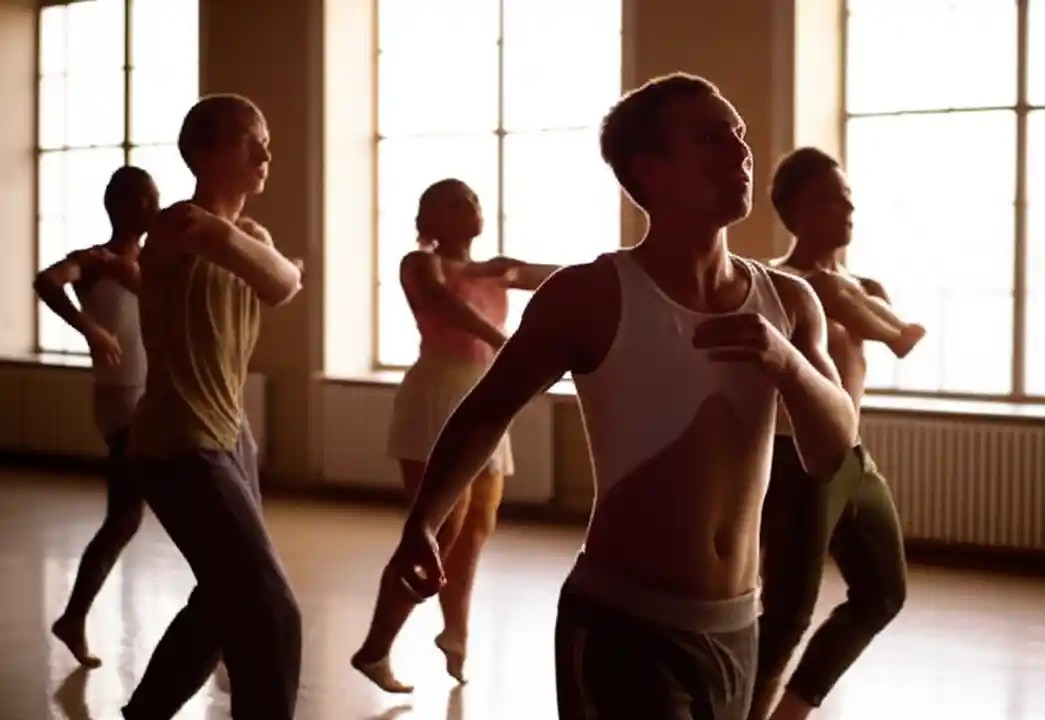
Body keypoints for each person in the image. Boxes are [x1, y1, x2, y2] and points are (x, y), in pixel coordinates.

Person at [364, 72, 856, 718]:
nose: (740, 151)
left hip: (736, 626)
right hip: (626, 627)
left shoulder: (789, 304)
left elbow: (833, 449)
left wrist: (786, 362)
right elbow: (487, 410)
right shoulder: (590, 296)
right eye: (712, 138)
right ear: (651, 172)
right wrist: (423, 522)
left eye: (738, 134)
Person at [121, 94, 304, 719]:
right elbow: (282, 280)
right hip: (179, 442)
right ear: (203, 153)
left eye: (267, 141)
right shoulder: (176, 226)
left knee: (221, 603)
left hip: (231, 439)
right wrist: (272, 260)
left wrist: (268, 256)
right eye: (249, 140)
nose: (265, 152)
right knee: (272, 613)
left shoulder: (244, 233)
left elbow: (281, 281)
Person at [352, 178, 559, 689]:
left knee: (477, 527)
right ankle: (376, 649)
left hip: (486, 398)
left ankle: (456, 633)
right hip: (436, 397)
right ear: (428, 221)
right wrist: (502, 338)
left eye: (473, 199)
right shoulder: (421, 263)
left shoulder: (498, 270)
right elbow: (444, 304)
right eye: (454, 202)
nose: (470, 206)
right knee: (437, 529)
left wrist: (524, 272)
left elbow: (562, 279)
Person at [749, 147, 913, 719]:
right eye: (831, 197)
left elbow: (893, 326)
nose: (848, 207)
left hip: (851, 459)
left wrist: (857, 300)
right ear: (794, 210)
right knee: (788, 614)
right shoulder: (777, 283)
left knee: (883, 594)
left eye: (849, 197)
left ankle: (791, 710)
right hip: (795, 462)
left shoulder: (860, 285)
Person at [38, 165, 159, 669]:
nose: (156, 206)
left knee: (126, 517)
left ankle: (72, 618)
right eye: (148, 199)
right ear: (124, 205)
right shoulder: (93, 261)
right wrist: (89, 327)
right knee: (135, 515)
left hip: (155, 399)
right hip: (121, 402)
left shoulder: (157, 262)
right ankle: (220, 626)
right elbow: (47, 281)